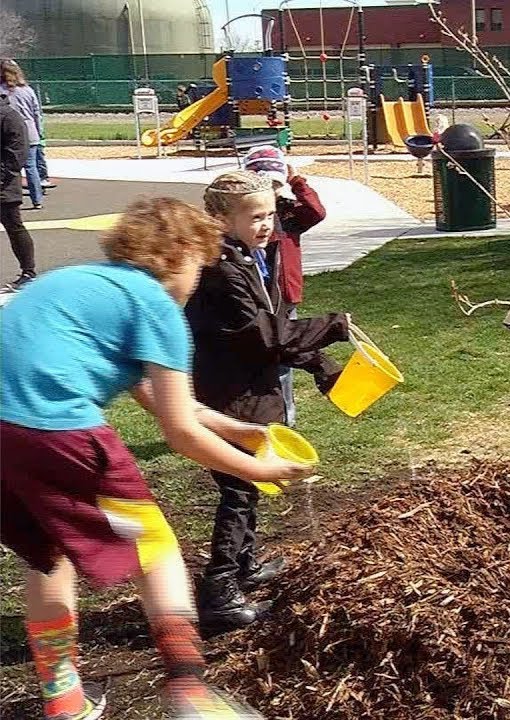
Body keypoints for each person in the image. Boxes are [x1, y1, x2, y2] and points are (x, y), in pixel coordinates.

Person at [1, 197, 307, 720]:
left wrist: (239, 430)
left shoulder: (80, 282)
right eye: (200, 262)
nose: (197, 278)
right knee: (156, 550)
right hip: (58, 428)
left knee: (48, 556)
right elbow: (180, 432)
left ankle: (64, 697)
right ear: (184, 253)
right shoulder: (156, 304)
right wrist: (260, 470)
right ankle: (189, 693)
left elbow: (158, 396)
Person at [186, 171, 351, 630]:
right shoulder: (219, 269)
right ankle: (219, 590)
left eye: (270, 215)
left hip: (253, 389)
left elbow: (271, 335)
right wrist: (332, 326)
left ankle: (244, 565)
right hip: (229, 397)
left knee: (249, 486)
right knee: (239, 490)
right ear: (220, 218)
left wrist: (319, 365)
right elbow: (266, 337)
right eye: (255, 216)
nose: (266, 224)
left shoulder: (251, 257)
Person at [243, 145, 328, 426]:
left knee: (284, 356)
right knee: (256, 358)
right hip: (254, 299)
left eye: (273, 184)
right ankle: (255, 414)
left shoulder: (289, 215)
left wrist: (296, 181)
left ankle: (284, 419)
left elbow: (316, 211)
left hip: (283, 298)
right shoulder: (244, 218)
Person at [1, 88, 36, 291]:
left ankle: (28, 272)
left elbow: (16, 154)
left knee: (14, 227)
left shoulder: (9, 116)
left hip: (4, 186)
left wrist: (3, 179)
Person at [0, 59, 44, 210]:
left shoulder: (2, 92)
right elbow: (37, 113)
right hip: (30, 132)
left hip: (10, 134)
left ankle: (13, 199)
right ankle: (37, 199)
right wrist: (39, 132)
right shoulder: (28, 90)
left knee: (11, 167)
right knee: (31, 167)